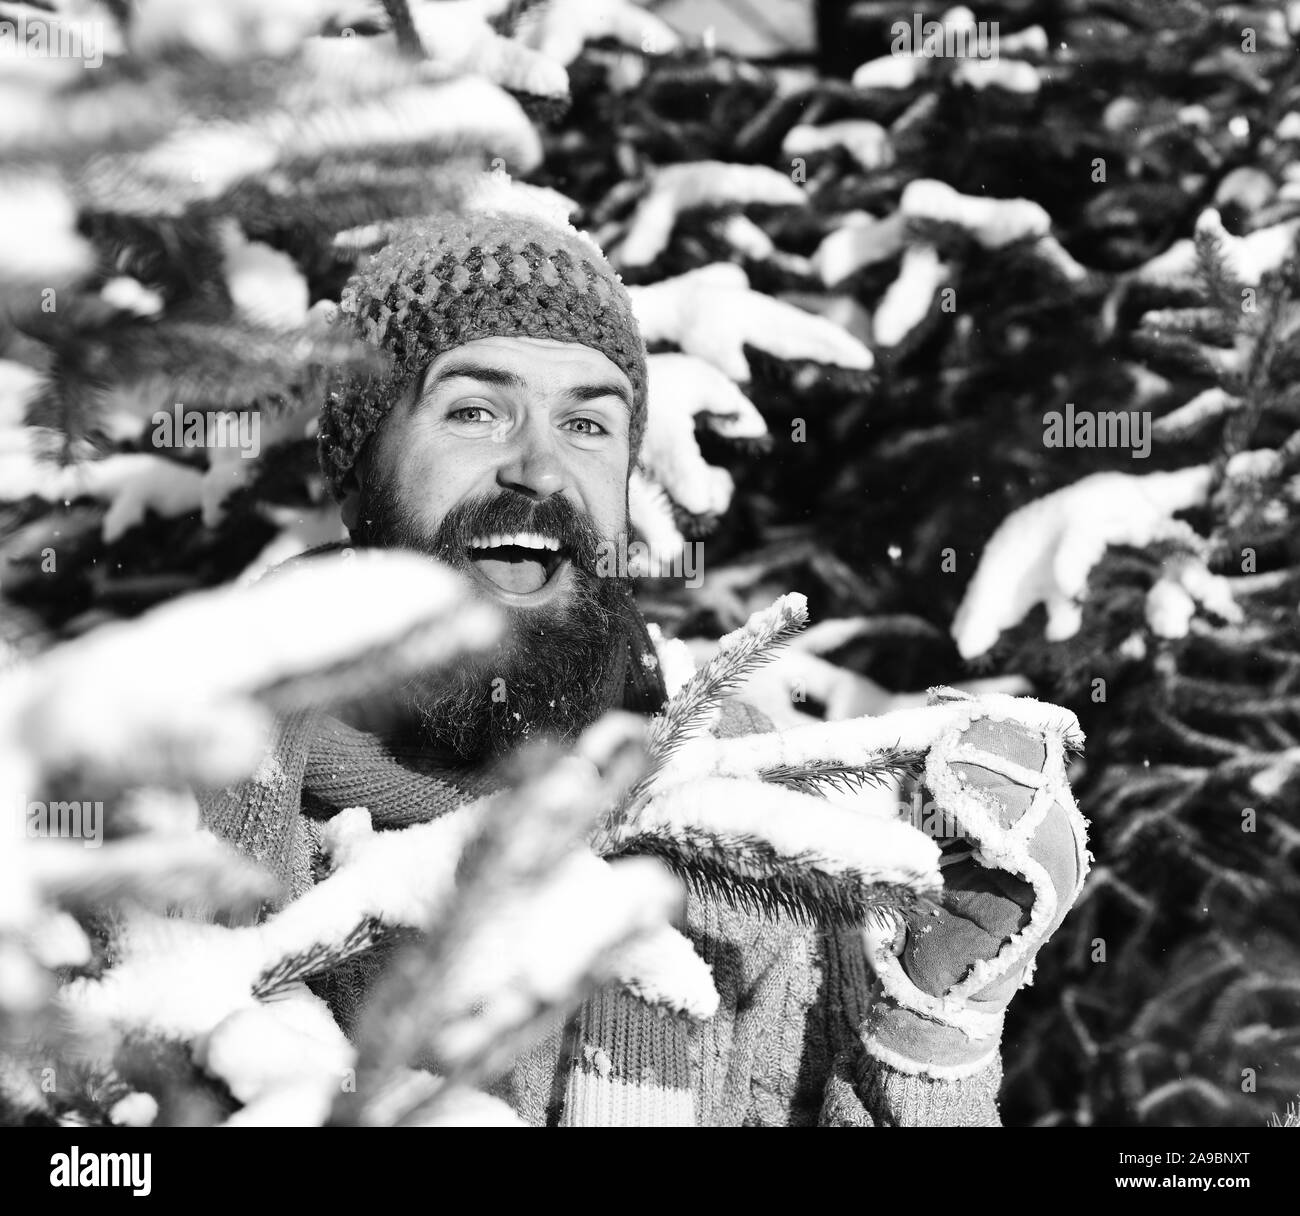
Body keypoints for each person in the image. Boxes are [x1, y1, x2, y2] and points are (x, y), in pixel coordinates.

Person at [201, 191, 1090, 1126]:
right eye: (473, 410)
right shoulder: (180, 803)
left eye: (587, 425)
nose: (539, 471)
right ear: (360, 469)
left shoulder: (740, 810)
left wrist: (931, 1030)